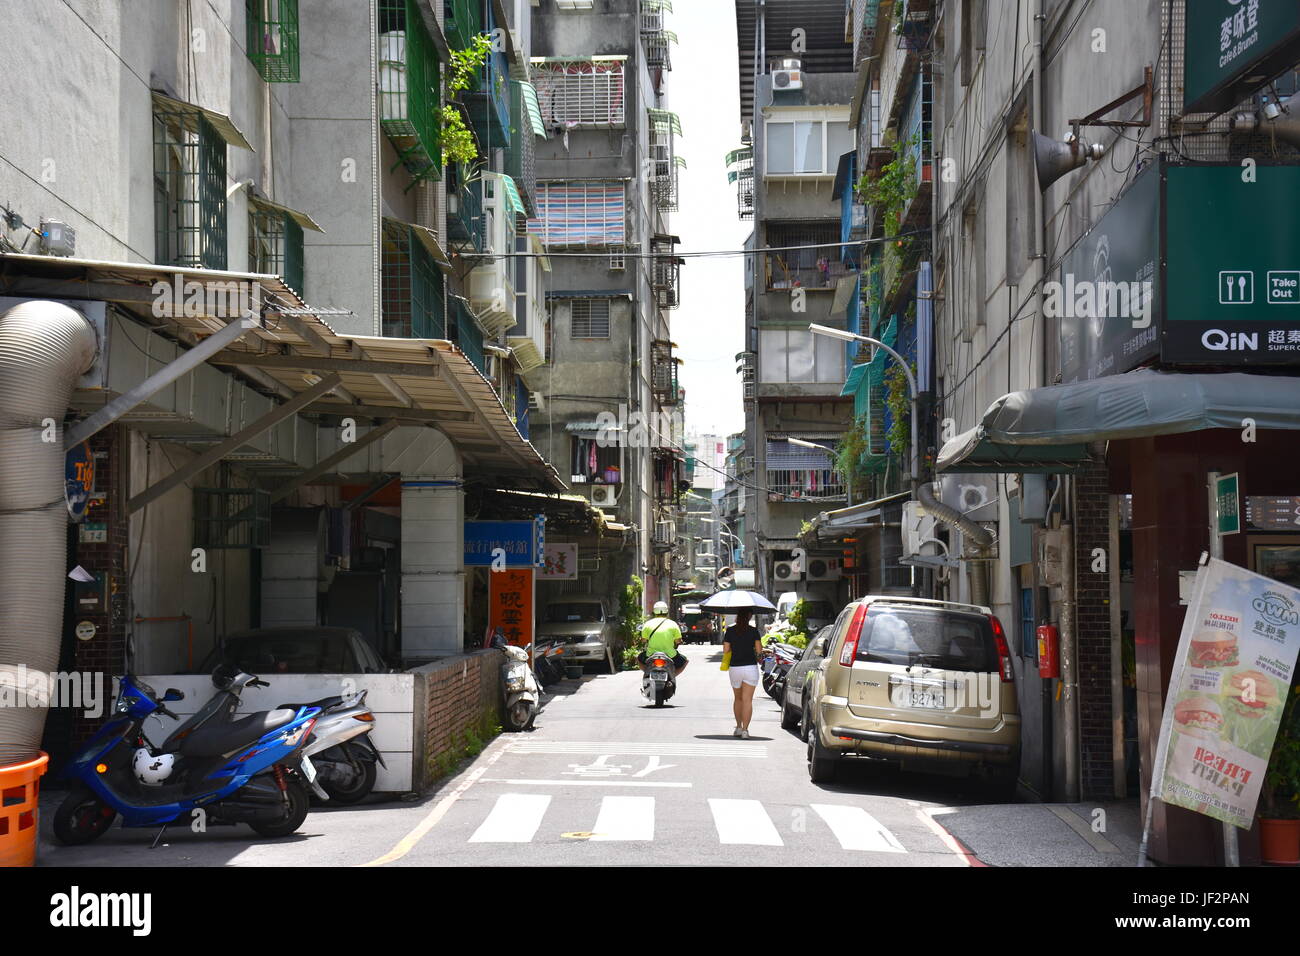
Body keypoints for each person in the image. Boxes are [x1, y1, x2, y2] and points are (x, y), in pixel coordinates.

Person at [723, 609, 763, 738]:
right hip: (750, 667)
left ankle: (738, 727)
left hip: (735, 668)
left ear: (737, 617)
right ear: (749, 617)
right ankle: (745, 730)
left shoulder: (730, 630)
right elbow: (758, 650)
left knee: (738, 699)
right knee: (747, 700)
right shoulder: (753, 631)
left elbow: (726, 650)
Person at [637, 601, 688, 678]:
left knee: (638, 659)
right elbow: (678, 641)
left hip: (651, 654)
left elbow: (644, 640)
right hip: (670, 654)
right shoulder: (673, 624)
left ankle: (647, 673)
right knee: (685, 661)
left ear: (654, 612)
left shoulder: (647, 624)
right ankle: (672, 676)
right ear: (666, 611)